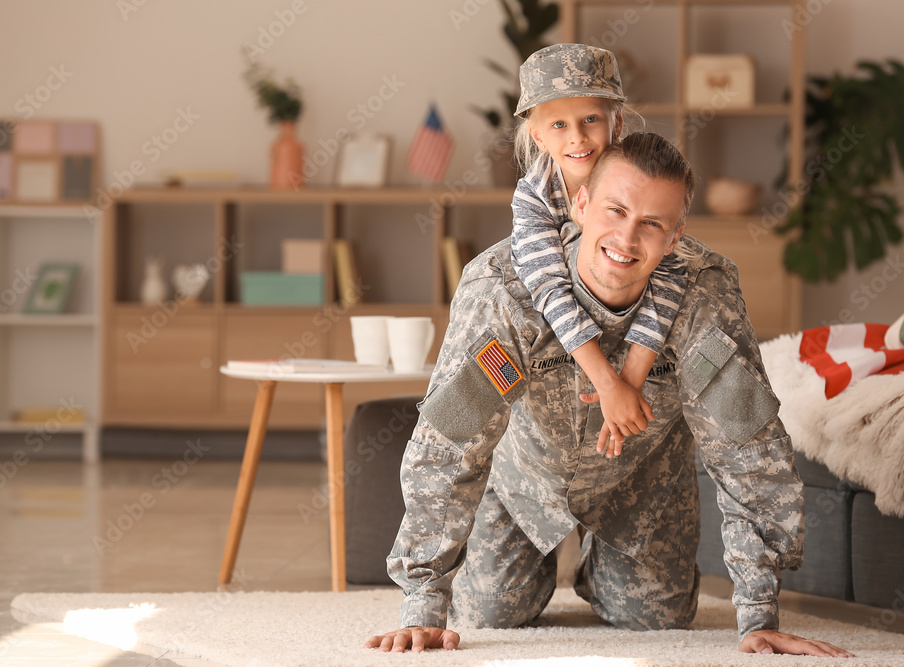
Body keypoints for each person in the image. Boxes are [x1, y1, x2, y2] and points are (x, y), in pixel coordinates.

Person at [365, 132, 854, 658]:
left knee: (655, 620)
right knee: (495, 611)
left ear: (675, 236)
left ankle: (611, 566)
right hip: (520, 482)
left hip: (643, 485)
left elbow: (745, 444)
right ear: (580, 204)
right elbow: (451, 440)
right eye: (616, 210)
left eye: (652, 223)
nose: (627, 237)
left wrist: (758, 612)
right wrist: (423, 599)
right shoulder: (502, 291)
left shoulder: (704, 295)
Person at [510, 44, 689, 457]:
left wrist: (630, 379)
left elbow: (670, 273)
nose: (577, 137)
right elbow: (550, 290)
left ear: (617, 121)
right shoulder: (534, 199)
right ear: (537, 135)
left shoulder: (644, 179)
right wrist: (607, 385)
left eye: (590, 119)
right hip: (561, 361)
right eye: (558, 125)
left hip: (638, 350)